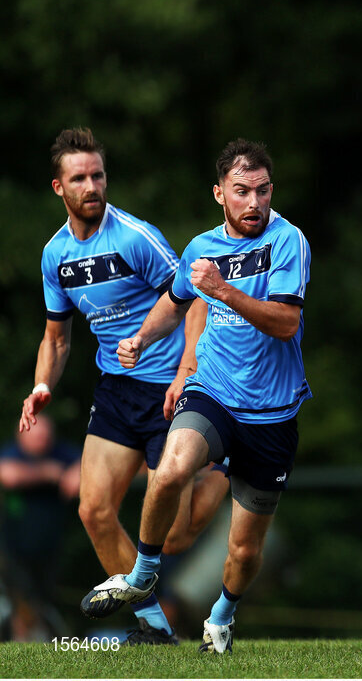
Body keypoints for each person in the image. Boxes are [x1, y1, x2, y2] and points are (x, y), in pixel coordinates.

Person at [78, 138, 312, 655]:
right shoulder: (201, 247)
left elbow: (285, 322)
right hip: (213, 393)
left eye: (263, 191)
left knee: (244, 550)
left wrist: (224, 289)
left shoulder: (288, 240)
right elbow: (175, 299)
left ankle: (221, 618)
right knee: (170, 469)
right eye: (242, 191)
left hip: (271, 414)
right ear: (219, 194)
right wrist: (141, 338)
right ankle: (142, 574)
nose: (254, 202)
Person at [19, 128, 228, 645]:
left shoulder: (135, 237)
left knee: (172, 537)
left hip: (170, 392)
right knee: (93, 511)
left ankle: (225, 468)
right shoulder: (55, 255)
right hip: (116, 391)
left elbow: (194, 298)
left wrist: (186, 372)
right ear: (58, 187)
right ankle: (153, 628)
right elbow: (56, 338)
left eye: (98, 175)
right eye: (79, 178)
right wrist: (42, 385)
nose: (91, 186)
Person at [0, 414, 80, 640]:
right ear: (21, 437)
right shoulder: (12, 452)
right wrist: (49, 473)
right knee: (22, 597)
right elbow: (8, 476)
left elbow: (85, 466)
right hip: (14, 546)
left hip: (51, 545)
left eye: (46, 435)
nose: (43, 440)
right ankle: (22, 639)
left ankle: (35, 640)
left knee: (43, 599)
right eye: (37, 436)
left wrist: (75, 472)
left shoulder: (61, 451)